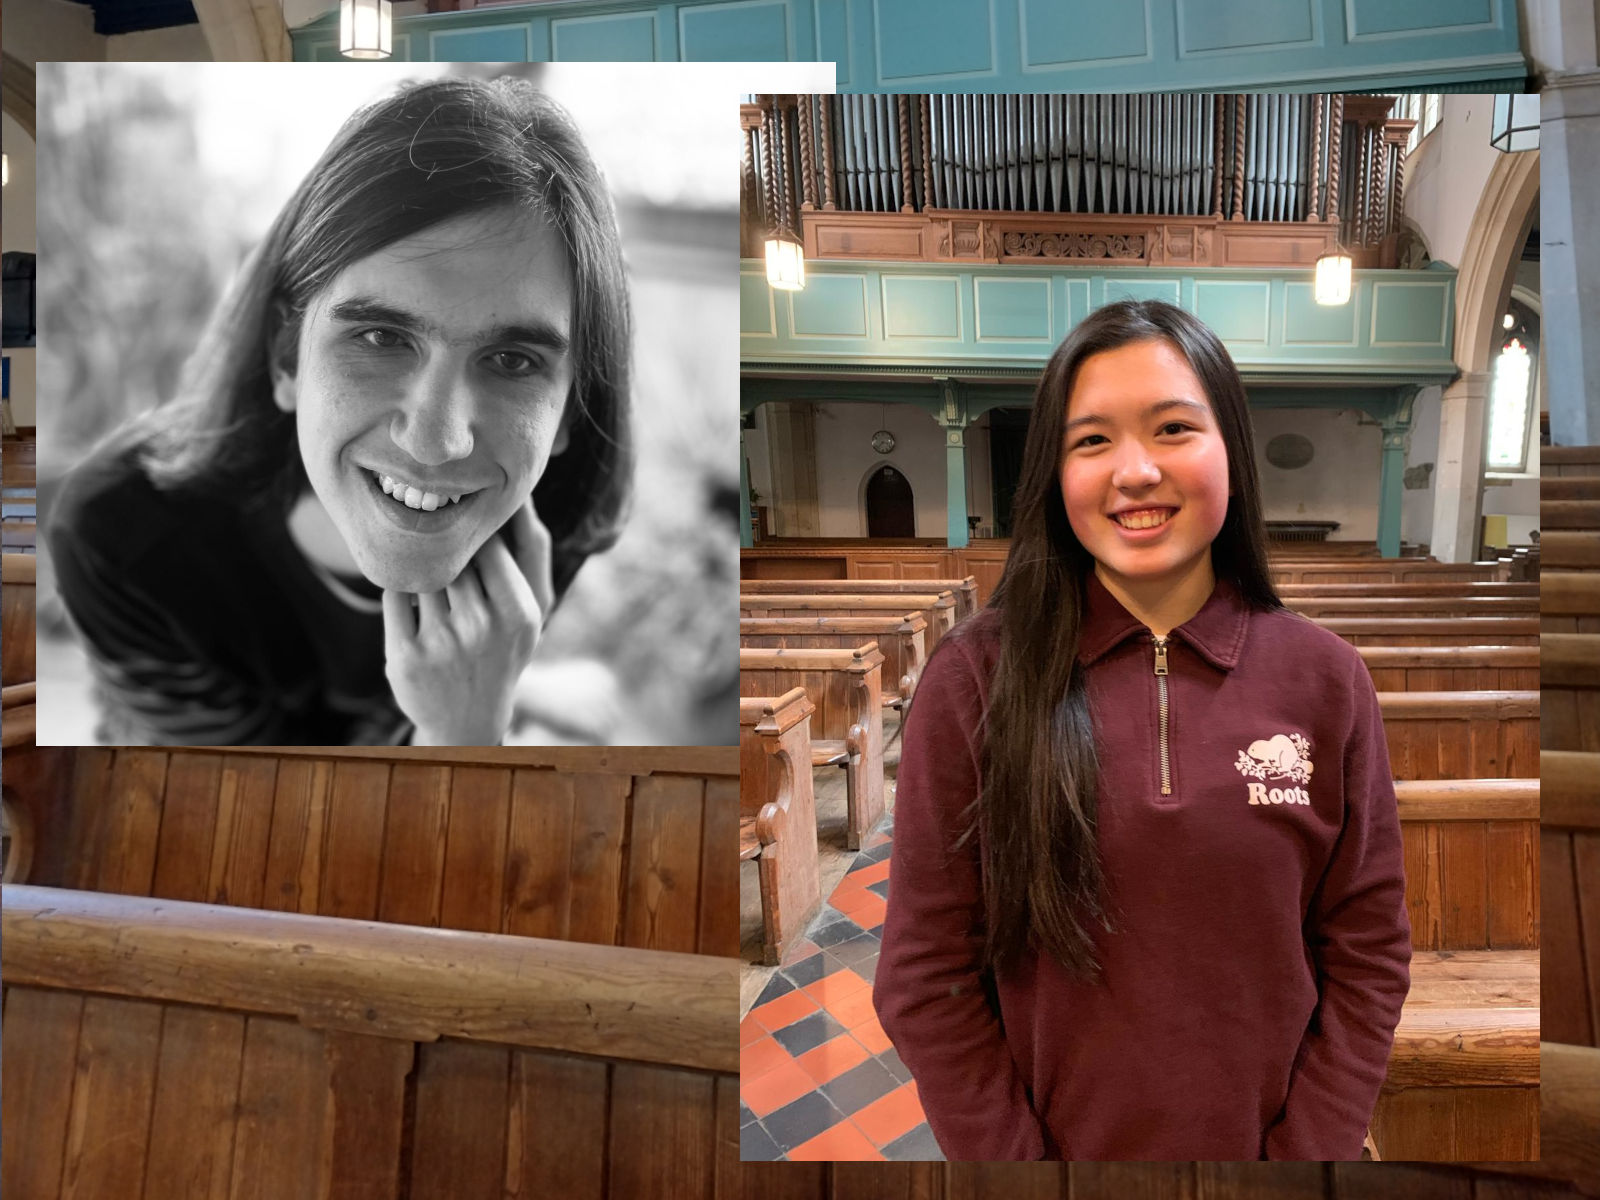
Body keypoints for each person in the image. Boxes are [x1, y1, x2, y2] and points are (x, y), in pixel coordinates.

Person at [871, 299, 1411, 1161]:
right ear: (1055, 471)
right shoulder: (977, 679)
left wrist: (1306, 1153)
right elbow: (923, 979)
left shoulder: (1325, 679)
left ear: (1230, 447)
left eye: (1172, 429)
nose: (1134, 472)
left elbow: (1370, 950)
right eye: (1092, 441)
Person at [47, 77, 632, 746]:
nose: (436, 442)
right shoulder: (122, 534)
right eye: (382, 338)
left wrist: (471, 712)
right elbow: (254, 821)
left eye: (513, 362)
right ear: (284, 357)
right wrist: (467, 727)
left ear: (566, 413)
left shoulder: (554, 510)